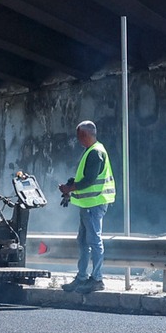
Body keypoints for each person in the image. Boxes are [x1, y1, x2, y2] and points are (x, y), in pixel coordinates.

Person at [57, 119, 114, 293]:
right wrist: (72, 184)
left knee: (93, 241)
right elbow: (86, 178)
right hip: (89, 204)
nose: (78, 139)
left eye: (79, 135)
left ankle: (96, 279)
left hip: (94, 204)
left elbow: (89, 181)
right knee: (83, 241)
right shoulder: (92, 150)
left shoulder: (95, 152)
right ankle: (82, 278)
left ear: (84, 134)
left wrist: (69, 188)